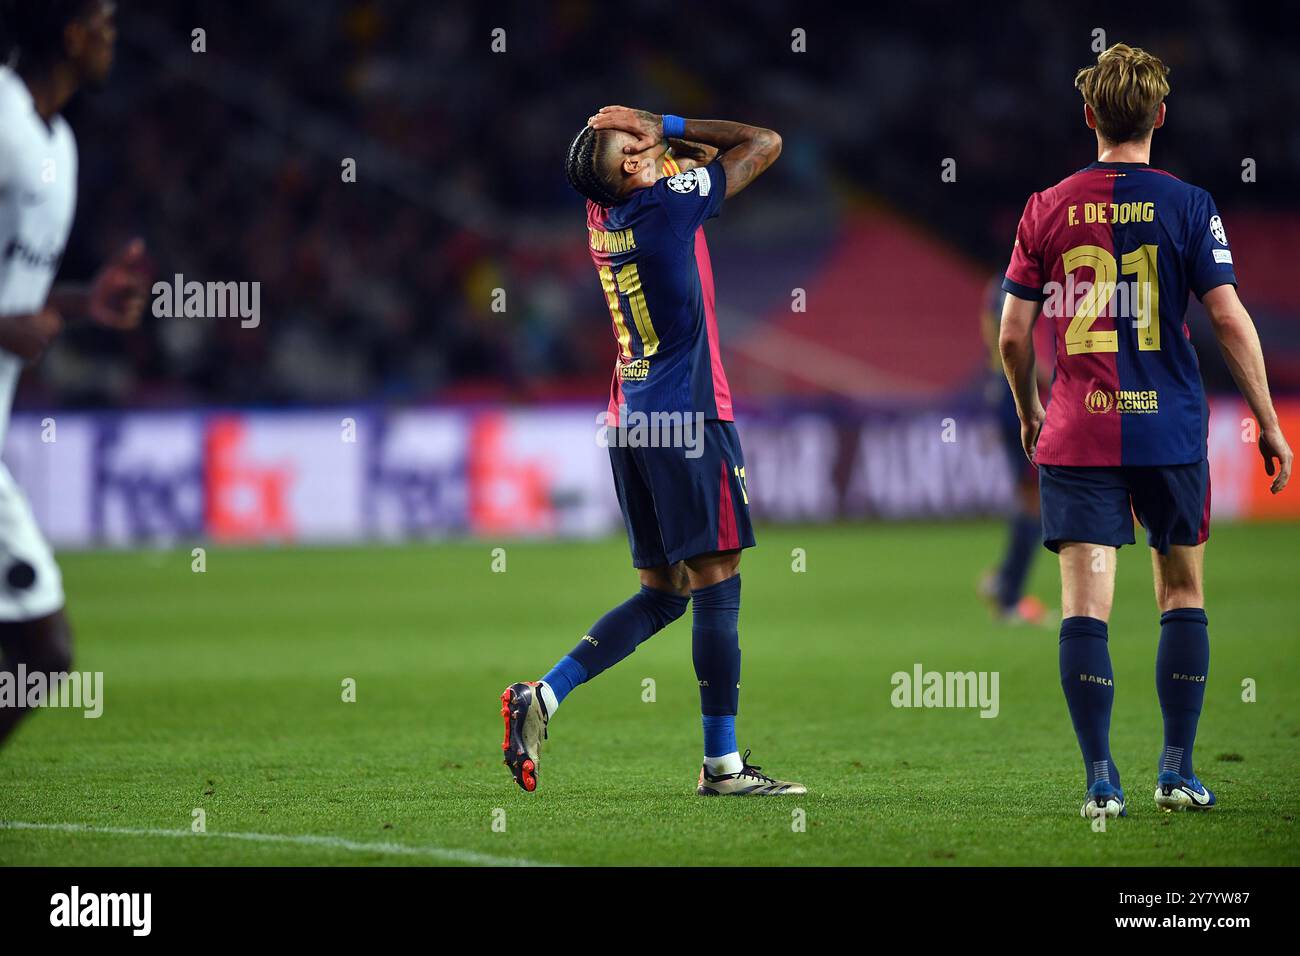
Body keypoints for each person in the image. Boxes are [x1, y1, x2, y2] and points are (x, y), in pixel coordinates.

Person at [500, 106, 804, 796]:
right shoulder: (667, 210)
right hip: (689, 418)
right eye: (640, 144)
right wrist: (665, 119)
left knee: (663, 594)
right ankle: (723, 768)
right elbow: (764, 142)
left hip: (630, 417)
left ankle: (541, 698)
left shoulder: (602, 210)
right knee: (716, 584)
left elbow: (654, 166)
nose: (652, 143)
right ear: (636, 169)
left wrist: (647, 144)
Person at [0, 0, 148, 746]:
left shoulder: (56, 145)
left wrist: (82, 304)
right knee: (45, 652)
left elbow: (15, 296)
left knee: (38, 654)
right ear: (70, 34)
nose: (111, 40)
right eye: (105, 25)